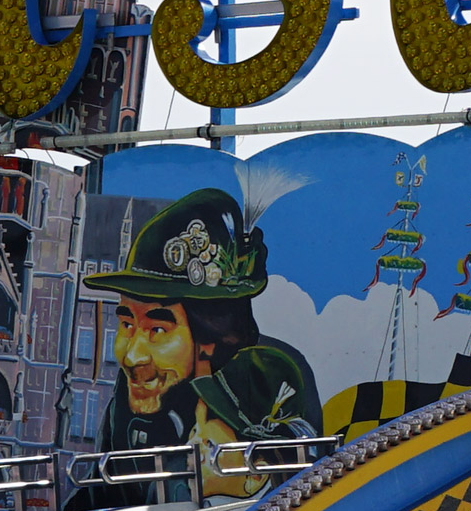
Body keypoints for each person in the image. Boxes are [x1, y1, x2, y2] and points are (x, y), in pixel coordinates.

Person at [88, 188, 324, 461]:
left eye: (158, 330)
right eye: (127, 324)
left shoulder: (272, 375)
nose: (131, 356)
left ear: (209, 339)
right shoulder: (133, 388)